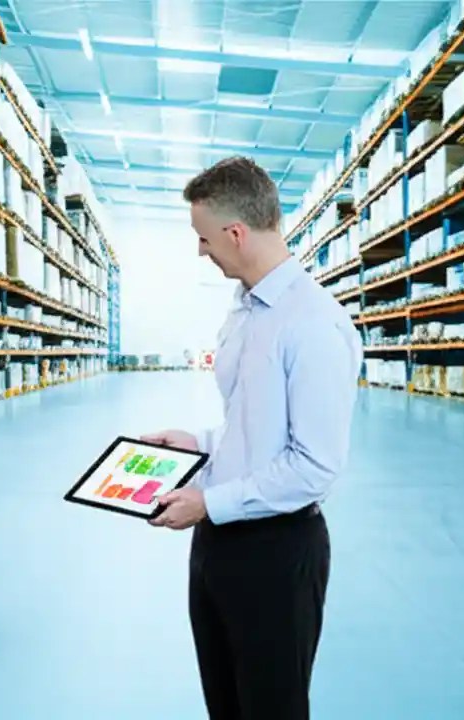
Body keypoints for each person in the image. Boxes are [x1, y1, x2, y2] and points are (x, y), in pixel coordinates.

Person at [143, 156, 362, 719]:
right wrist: (194, 441)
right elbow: (252, 422)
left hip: (276, 553)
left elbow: (314, 465)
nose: (201, 250)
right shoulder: (246, 309)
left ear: (236, 233)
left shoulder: (311, 323)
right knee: (226, 702)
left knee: (270, 708)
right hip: (220, 537)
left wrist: (207, 502)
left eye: (204, 237)